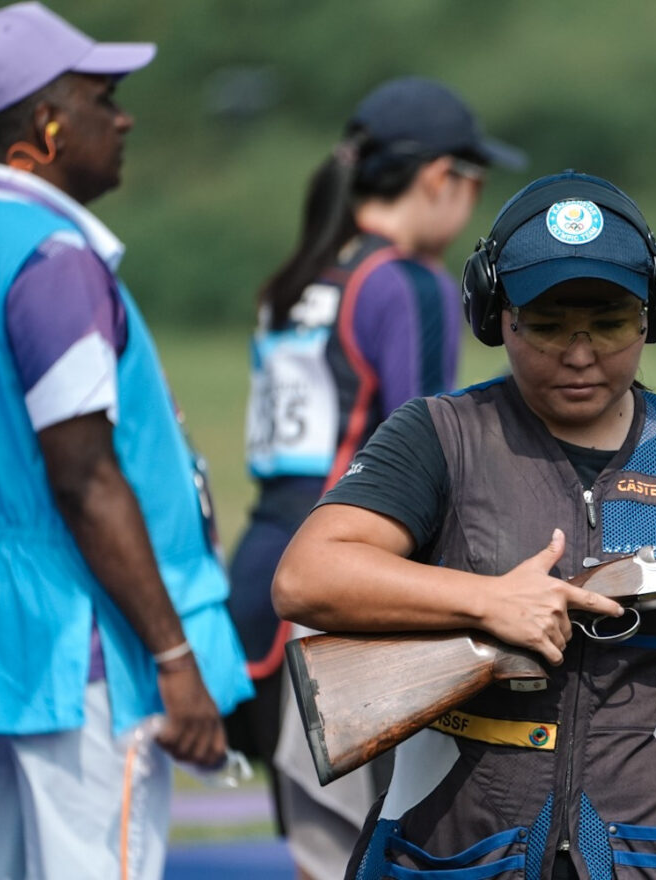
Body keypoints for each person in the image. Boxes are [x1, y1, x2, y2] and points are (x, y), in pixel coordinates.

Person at [272, 170, 656, 880]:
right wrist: (490, 601)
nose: (579, 353)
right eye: (546, 324)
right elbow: (307, 576)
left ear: (650, 318)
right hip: (460, 845)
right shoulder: (438, 435)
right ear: (496, 316)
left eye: (609, 322)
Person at [0, 4, 253, 878]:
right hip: (83, 647)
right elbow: (85, 476)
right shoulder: (52, 259)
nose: (124, 118)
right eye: (103, 97)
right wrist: (174, 660)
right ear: (45, 125)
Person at [223, 76, 526, 879]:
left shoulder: (297, 279)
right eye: (473, 184)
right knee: (388, 856)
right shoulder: (408, 284)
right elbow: (434, 462)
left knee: (320, 857)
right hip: (347, 605)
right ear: (438, 179)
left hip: (258, 594)